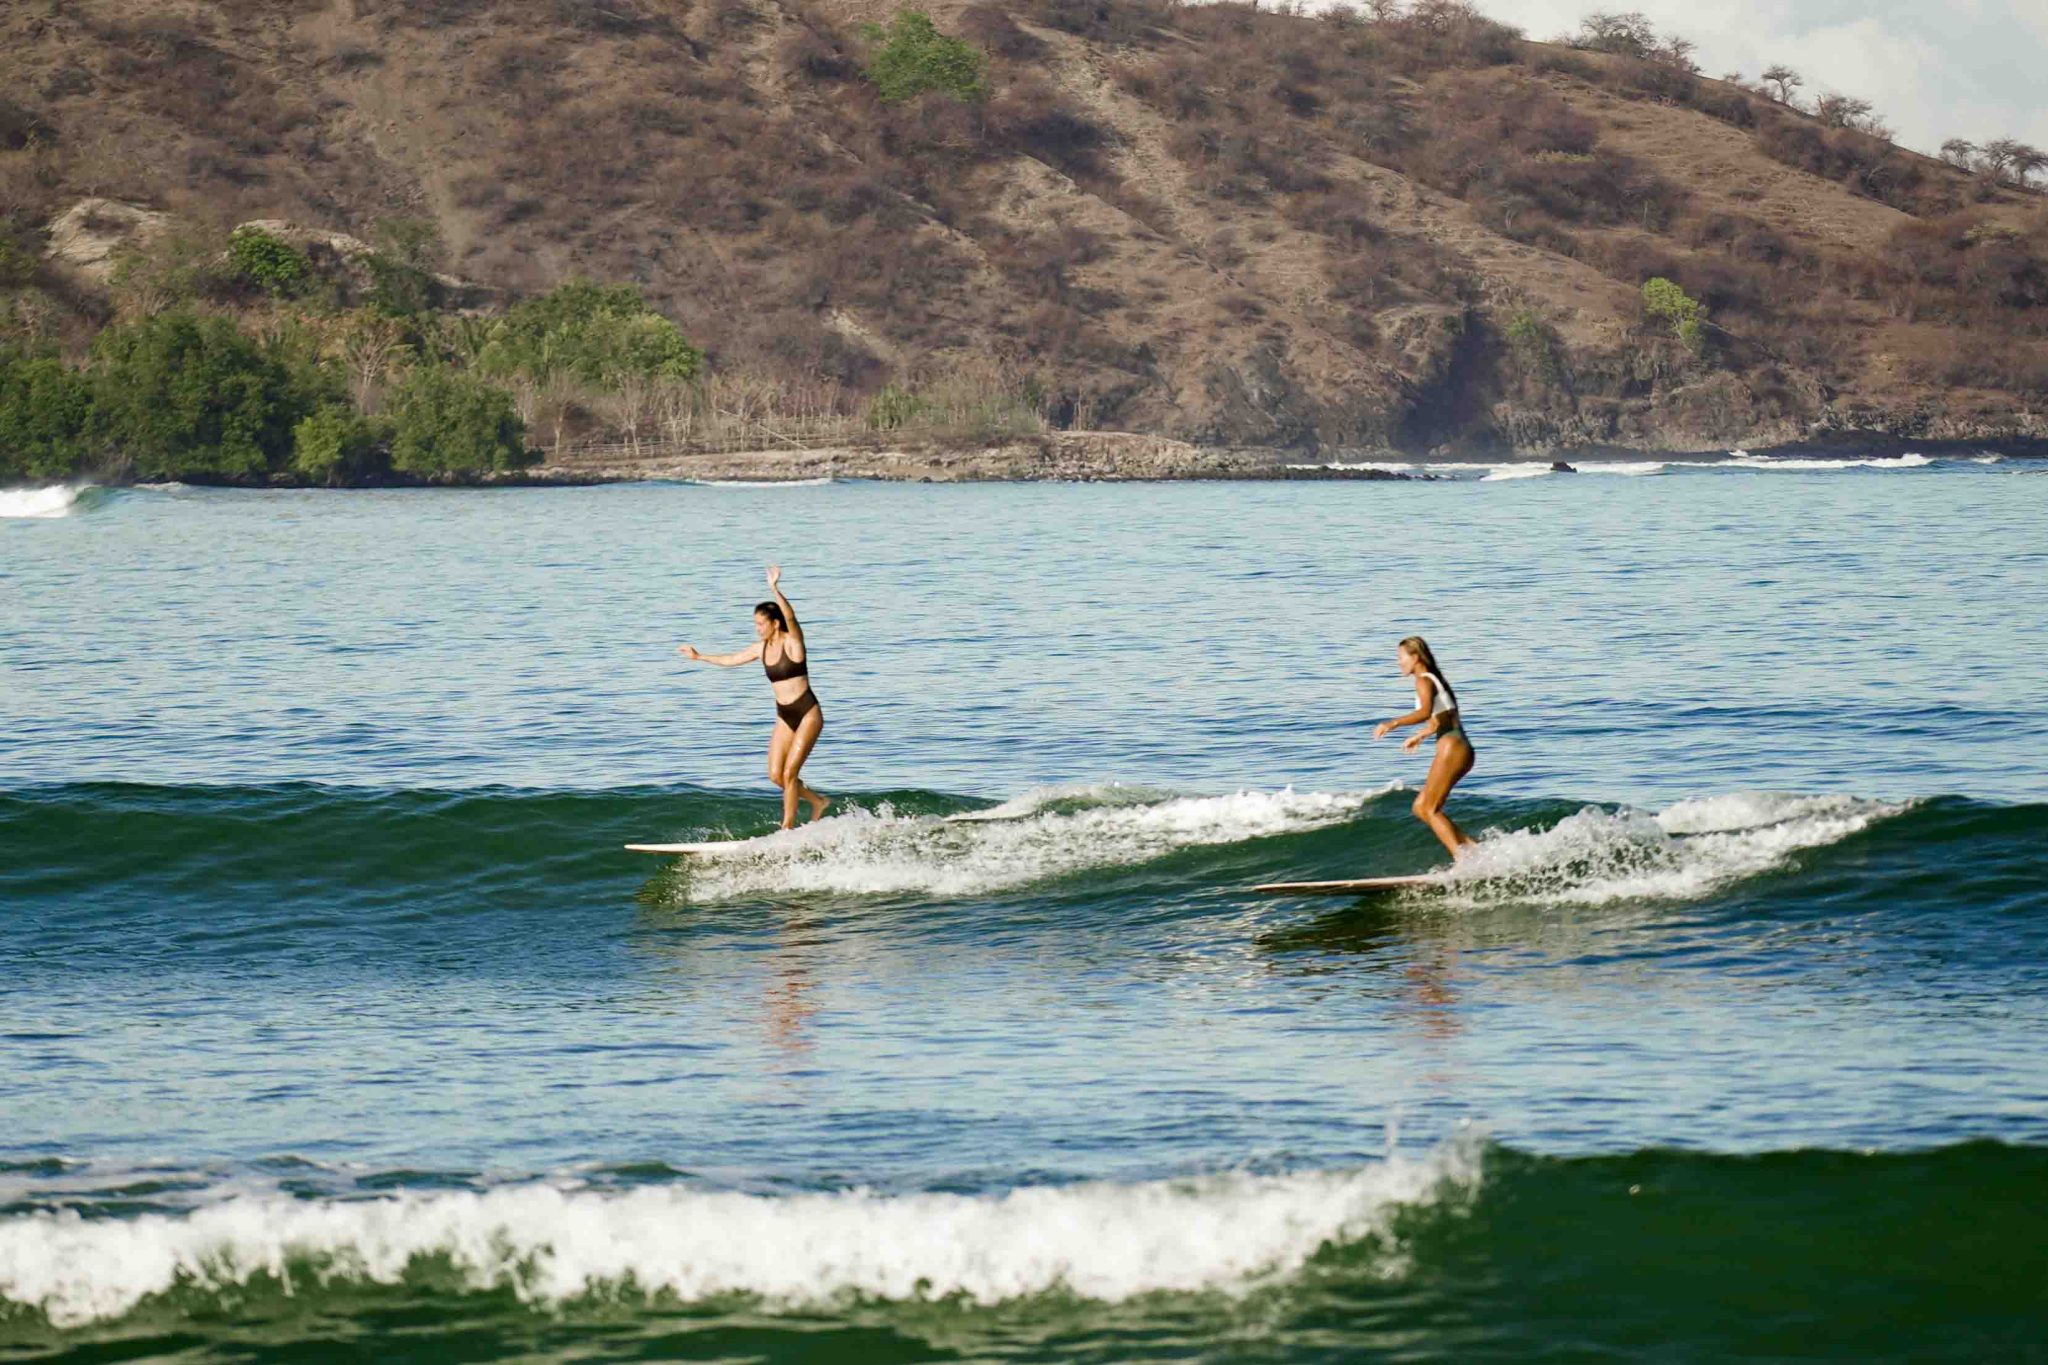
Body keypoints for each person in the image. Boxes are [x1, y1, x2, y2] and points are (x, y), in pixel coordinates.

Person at [678, 565, 830, 829]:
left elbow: (791, 618)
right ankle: (818, 802)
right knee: (775, 775)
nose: (757, 629)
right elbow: (731, 659)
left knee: (790, 773)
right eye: (756, 624)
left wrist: (775, 589)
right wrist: (699, 656)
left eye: (761, 624)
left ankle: (787, 828)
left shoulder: (793, 643)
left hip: (807, 713)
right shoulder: (761, 648)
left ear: (775, 623)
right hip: (784, 716)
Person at [1372, 635, 1477, 860]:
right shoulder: (1434, 678)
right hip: (1459, 746)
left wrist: (1392, 723)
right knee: (1420, 807)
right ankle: (1476, 851)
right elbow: (1442, 717)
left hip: (1452, 747)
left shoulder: (1423, 680)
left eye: (1401, 657)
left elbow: (1425, 712)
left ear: (1415, 657)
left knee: (1429, 808)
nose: (1398, 662)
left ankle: (1462, 859)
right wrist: (1420, 735)